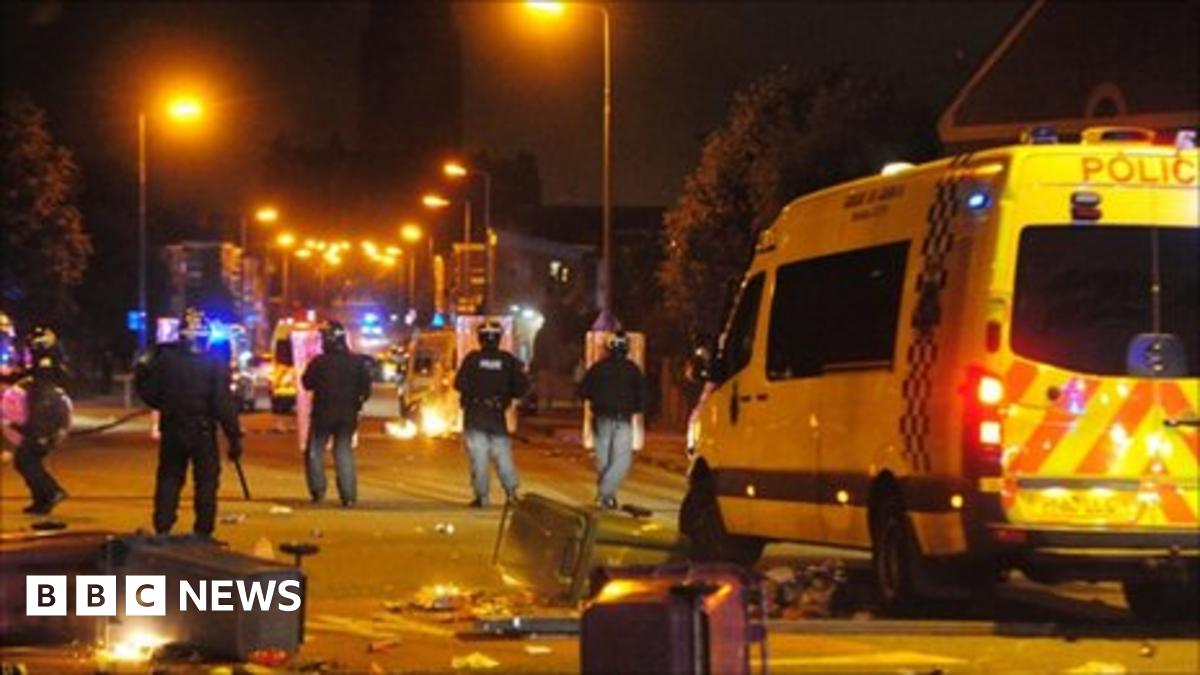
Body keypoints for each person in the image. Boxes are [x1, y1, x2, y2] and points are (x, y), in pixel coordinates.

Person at [135, 307, 242, 540]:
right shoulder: (213, 363)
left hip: (173, 426)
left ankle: (163, 525)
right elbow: (222, 402)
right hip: (203, 429)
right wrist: (234, 436)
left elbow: (150, 393)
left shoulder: (167, 360)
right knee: (206, 480)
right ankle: (203, 530)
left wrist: (161, 399)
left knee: (169, 477)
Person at [454, 319, 529, 508]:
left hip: (475, 414)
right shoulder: (508, 360)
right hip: (497, 415)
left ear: (480, 339)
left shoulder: (472, 359)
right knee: (502, 455)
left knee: (479, 457)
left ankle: (482, 497)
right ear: (499, 339)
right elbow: (521, 388)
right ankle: (511, 493)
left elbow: (459, 384)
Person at [301, 320, 373, 507]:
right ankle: (348, 496)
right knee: (343, 452)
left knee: (315, 452)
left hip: (322, 414)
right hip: (347, 415)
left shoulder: (319, 362)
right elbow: (366, 389)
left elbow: (306, 383)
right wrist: (355, 402)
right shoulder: (357, 362)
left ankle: (318, 491)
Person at [580, 331, 647, 509]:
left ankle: (605, 495)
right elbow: (642, 397)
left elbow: (583, 391)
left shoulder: (598, 368)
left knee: (604, 459)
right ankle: (605, 494)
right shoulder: (633, 369)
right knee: (622, 460)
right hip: (623, 419)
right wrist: (636, 408)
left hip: (602, 419)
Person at [12, 328, 71, 515]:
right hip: (43, 416)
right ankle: (42, 501)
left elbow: (44, 396)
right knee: (29, 459)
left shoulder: (46, 364)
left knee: (25, 459)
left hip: (44, 417)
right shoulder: (48, 362)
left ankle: (51, 491)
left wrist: (40, 429)